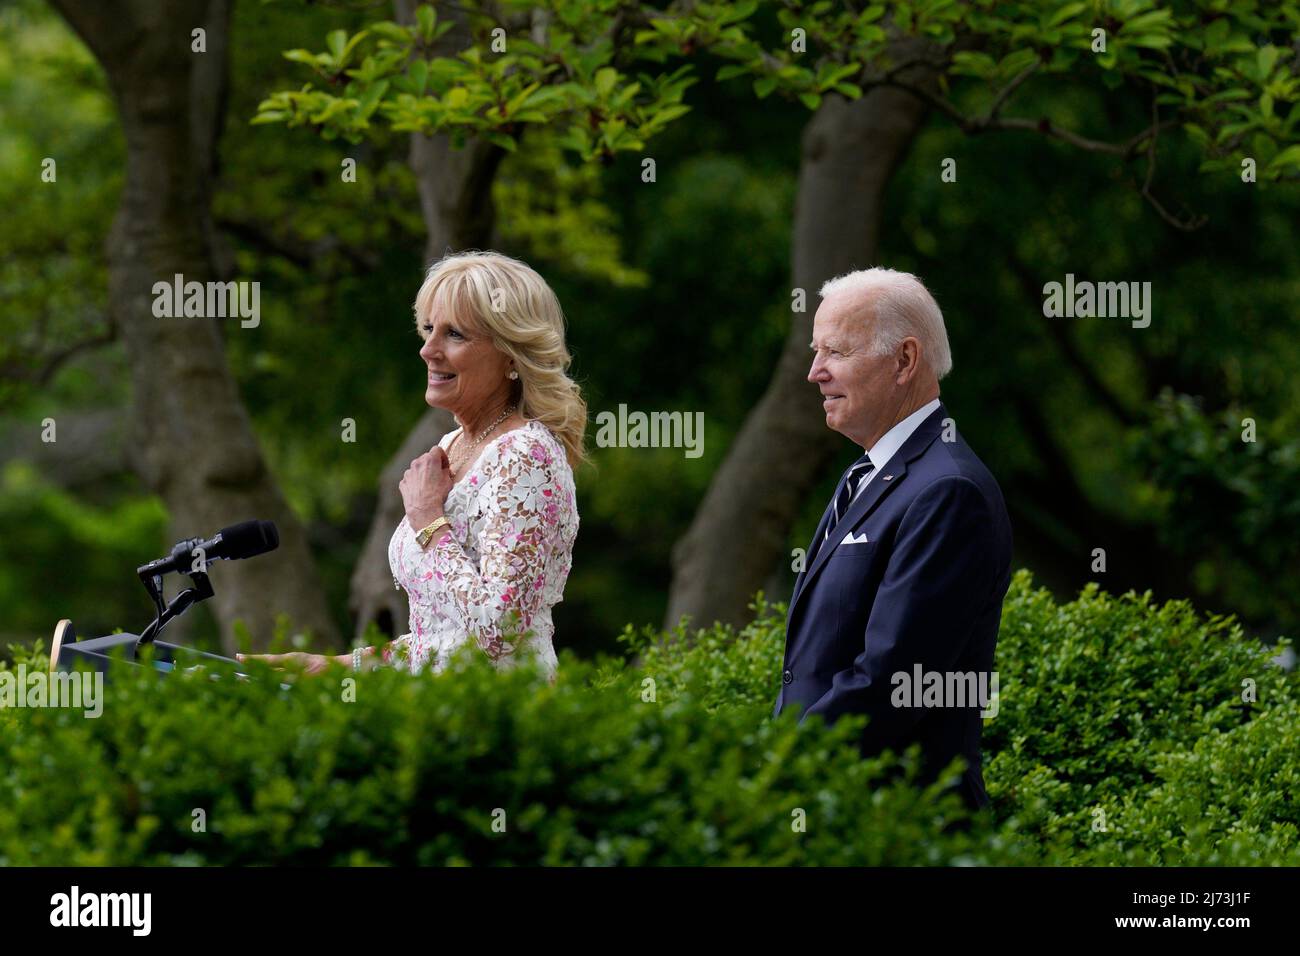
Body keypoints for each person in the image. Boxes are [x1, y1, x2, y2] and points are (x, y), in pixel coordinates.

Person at [241, 251, 584, 680]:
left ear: (511, 355)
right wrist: (336, 666)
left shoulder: (526, 456)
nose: (428, 350)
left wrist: (428, 521)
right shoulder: (452, 444)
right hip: (430, 713)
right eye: (428, 330)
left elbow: (501, 630)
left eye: (454, 335)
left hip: (501, 716)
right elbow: (443, 638)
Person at [773, 267, 1012, 811]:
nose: (815, 372)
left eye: (836, 351)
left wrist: (778, 765)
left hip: (899, 821)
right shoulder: (871, 473)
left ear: (905, 360)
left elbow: (891, 678)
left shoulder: (948, 489)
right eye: (816, 351)